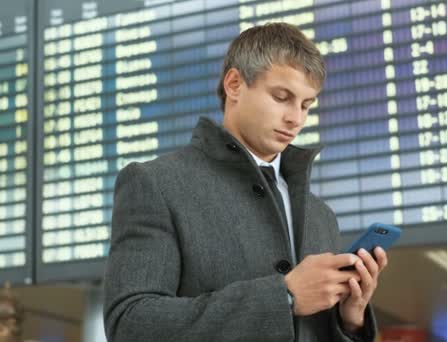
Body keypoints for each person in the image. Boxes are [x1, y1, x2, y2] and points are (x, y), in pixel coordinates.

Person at [103, 22, 388, 341]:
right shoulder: (156, 183)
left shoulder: (321, 216)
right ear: (235, 84)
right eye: (282, 97)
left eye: (306, 105)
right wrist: (284, 297)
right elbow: (130, 324)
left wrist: (350, 322)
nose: (296, 118)